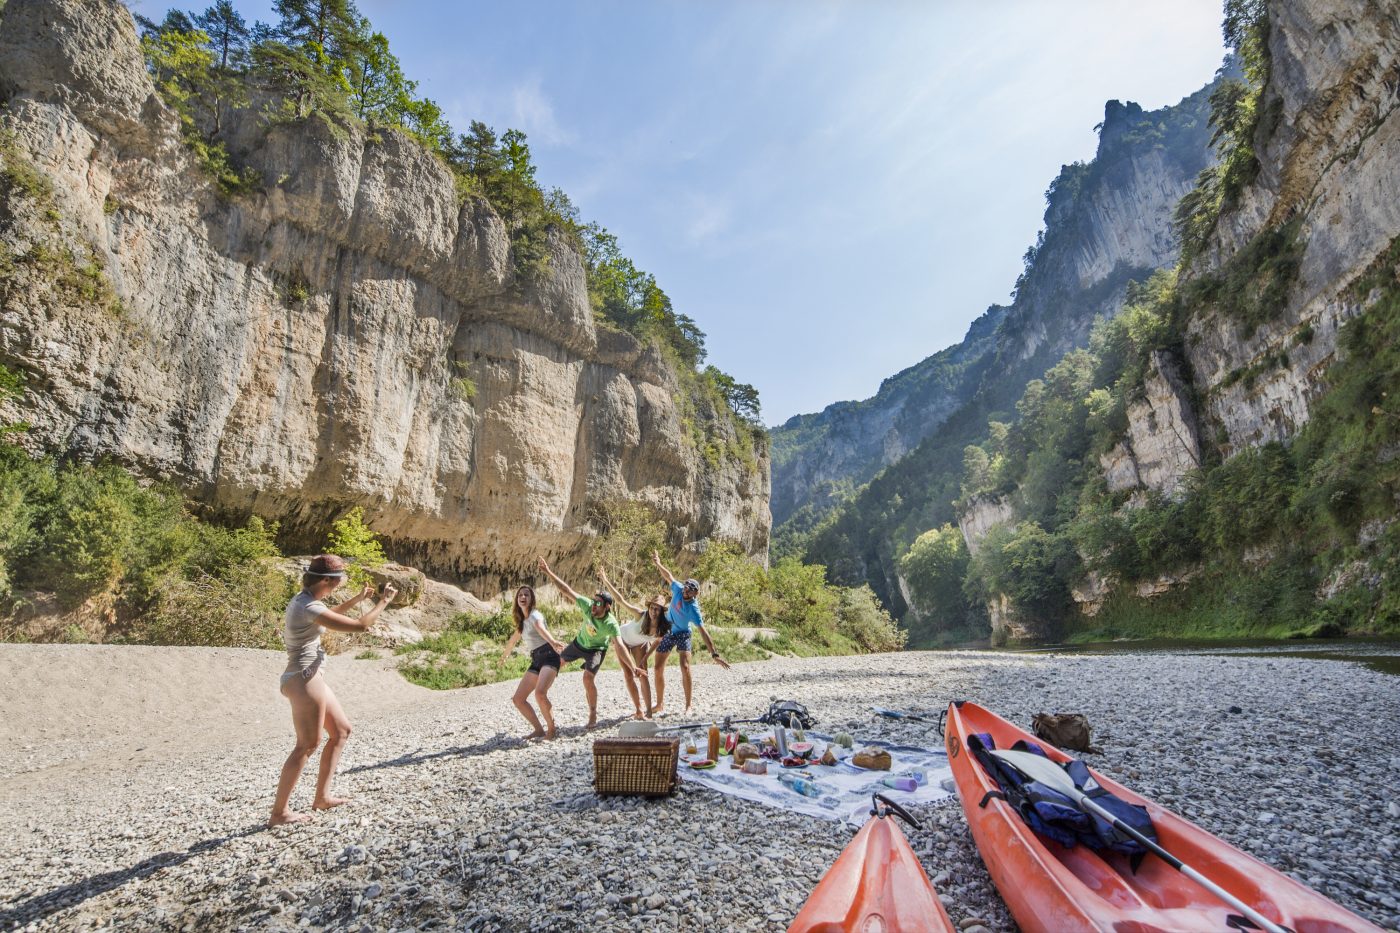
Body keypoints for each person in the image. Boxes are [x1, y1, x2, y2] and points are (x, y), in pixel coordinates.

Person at [270, 554, 397, 827]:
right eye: (339, 579)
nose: (340, 583)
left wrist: (357, 600)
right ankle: (279, 813)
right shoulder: (308, 606)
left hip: (310, 676)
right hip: (303, 679)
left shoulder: (306, 601)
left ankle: (322, 797)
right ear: (327, 580)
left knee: (341, 731)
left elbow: (326, 615)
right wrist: (383, 601)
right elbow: (361, 627)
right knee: (307, 744)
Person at [537, 556, 641, 729]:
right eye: (593, 601)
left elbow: (620, 646)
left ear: (607, 607)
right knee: (556, 662)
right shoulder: (587, 606)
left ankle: (592, 713)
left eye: (598, 603)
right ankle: (540, 691)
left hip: (596, 650)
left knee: (587, 678)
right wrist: (548, 572)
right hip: (578, 644)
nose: (593, 605)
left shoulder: (610, 623)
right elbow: (566, 590)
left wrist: (633, 667)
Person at [650, 550, 728, 717]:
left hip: (684, 633)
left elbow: (703, 632)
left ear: (695, 594)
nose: (686, 590)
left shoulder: (694, 609)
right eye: (686, 586)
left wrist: (714, 654)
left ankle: (688, 706)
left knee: (685, 667)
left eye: (690, 589)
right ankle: (659, 704)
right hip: (669, 630)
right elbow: (668, 576)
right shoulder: (678, 589)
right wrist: (658, 562)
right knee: (657, 668)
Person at [499, 584, 567, 740]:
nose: (523, 597)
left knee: (540, 693)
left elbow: (540, 627)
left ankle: (551, 729)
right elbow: (512, 641)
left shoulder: (536, 616)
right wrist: (504, 657)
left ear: (532, 599)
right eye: (520, 595)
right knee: (518, 699)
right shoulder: (522, 621)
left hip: (550, 656)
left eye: (527, 595)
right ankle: (538, 729)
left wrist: (553, 641)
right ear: (517, 599)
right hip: (536, 659)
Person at [598, 566, 666, 719]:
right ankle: (639, 710)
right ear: (649, 607)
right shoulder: (639, 614)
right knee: (629, 675)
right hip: (621, 639)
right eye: (652, 607)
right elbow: (620, 600)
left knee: (643, 674)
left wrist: (645, 657)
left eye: (658, 609)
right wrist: (605, 579)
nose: (654, 611)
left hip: (639, 645)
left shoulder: (662, 628)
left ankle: (648, 711)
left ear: (662, 612)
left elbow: (655, 643)